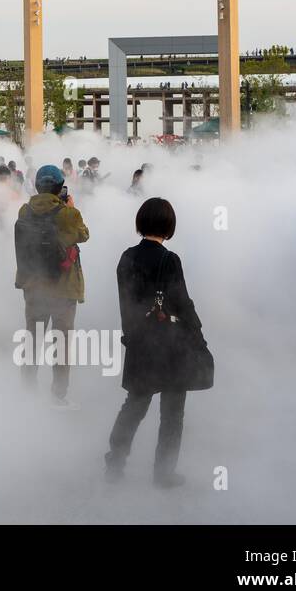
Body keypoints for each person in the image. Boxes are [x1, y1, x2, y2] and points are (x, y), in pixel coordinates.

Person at [104, 197, 209, 489]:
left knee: (134, 405)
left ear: (141, 222)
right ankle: (163, 474)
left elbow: (126, 302)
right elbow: (183, 303)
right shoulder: (169, 259)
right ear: (169, 225)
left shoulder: (126, 257)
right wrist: (198, 334)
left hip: (139, 341)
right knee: (172, 412)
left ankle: (115, 462)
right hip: (170, 344)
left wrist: (132, 334)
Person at [13, 164, 90, 409]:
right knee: (61, 343)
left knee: (32, 339)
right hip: (63, 288)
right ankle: (58, 395)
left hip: (34, 286)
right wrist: (71, 207)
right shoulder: (67, 214)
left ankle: (27, 390)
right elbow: (84, 235)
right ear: (59, 187)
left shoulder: (24, 211)